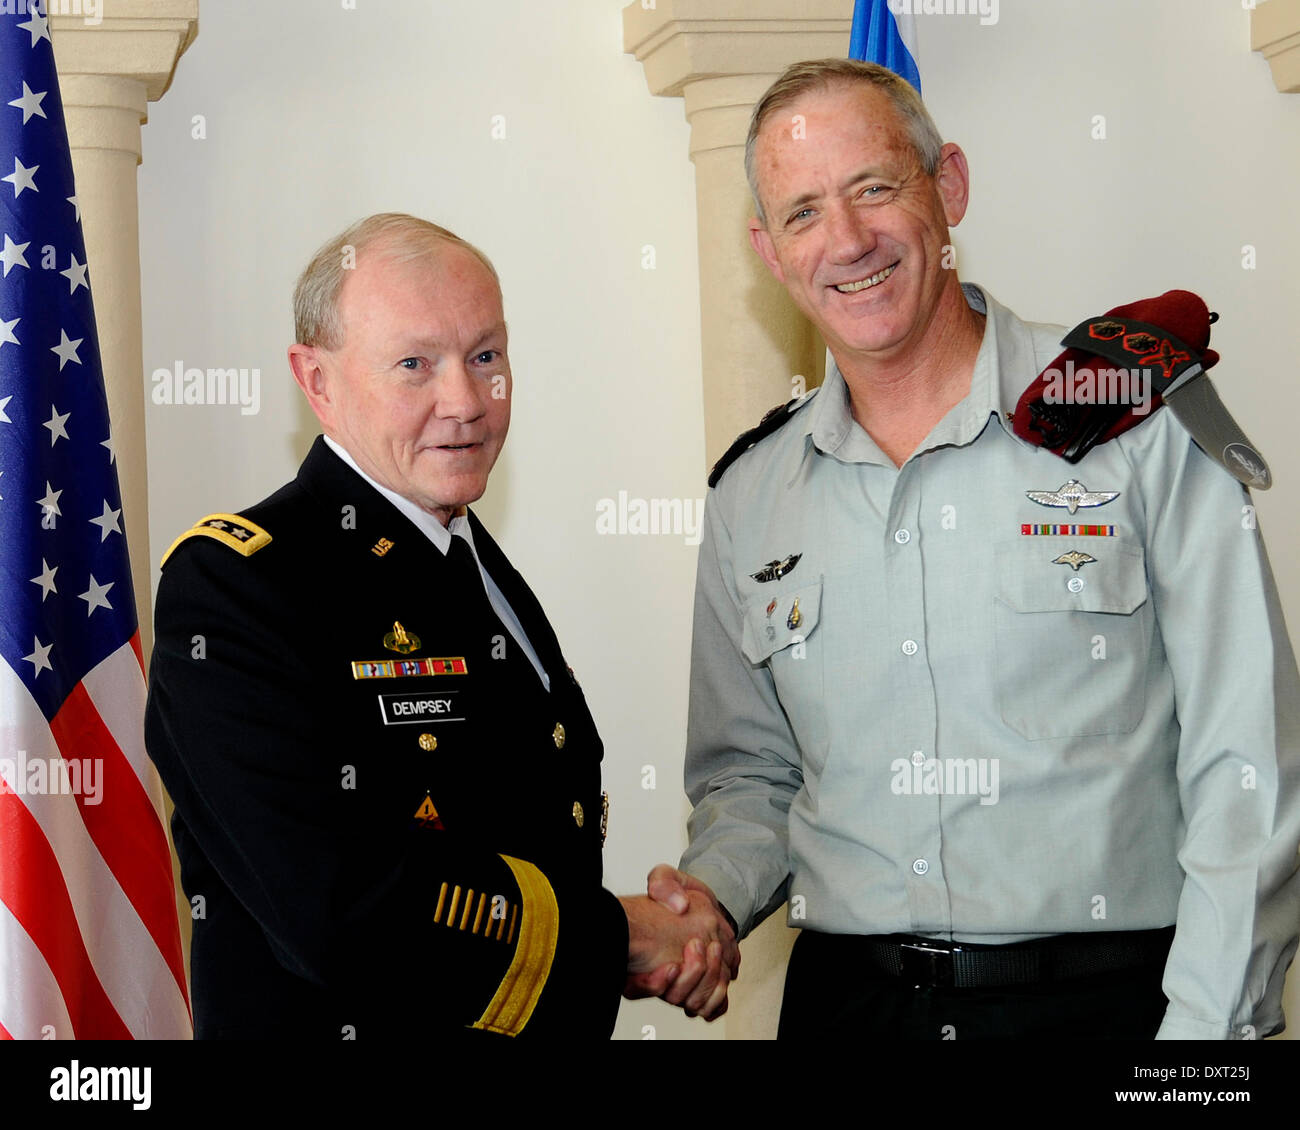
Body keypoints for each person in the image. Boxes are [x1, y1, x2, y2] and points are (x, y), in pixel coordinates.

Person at [647, 60, 1300, 1040]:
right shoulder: (752, 494)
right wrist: (701, 906)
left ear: (947, 186)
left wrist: (1206, 1048)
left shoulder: (1130, 420)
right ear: (769, 251)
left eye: (875, 187)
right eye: (803, 211)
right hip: (847, 1009)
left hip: (1102, 1003)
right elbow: (752, 775)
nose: (848, 240)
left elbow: (1248, 762)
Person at [145, 213, 736, 1039]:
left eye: (485, 357)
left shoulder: (473, 560)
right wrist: (621, 936)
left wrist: (630, 947)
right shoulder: (239, 584)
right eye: (414, 364)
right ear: (316, 382)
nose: (464, 402)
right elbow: (333, 901)